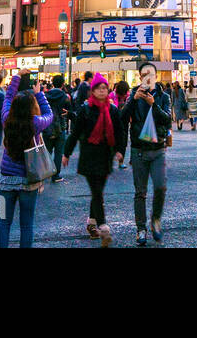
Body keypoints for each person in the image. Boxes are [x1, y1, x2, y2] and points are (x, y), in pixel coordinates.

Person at [63, 73, 126, 246]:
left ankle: (91, 222)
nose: (102, 91)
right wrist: (66, 153)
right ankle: (103, 227)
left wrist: (120, 151)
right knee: (97, 192)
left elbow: (120, 132)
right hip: (89, 156)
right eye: (99, 88)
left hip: (106, 156)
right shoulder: (85, 109)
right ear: (93, 91)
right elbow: (75, 133)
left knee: (98, 191)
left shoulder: (112, 110)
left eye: (105, 88)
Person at [0, 72, 53, 248]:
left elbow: (7, 98)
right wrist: (39, 93)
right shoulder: (35, 122)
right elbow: (49, 114)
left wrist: (16, 78)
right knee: (27, 225)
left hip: (5, 180)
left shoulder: (7, 119)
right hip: (29, 180)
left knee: (2, 223)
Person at [123, 61, 172, 246]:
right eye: (144, 74)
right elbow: (122, 118)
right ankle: (141, 228)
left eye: (151, 73)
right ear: (140, 77)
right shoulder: (133, 95)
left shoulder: (163, 96)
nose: (147, 77)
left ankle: (156, 220)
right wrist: (133, 100)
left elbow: (167, 120)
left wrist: (153, 105)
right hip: (139, 151)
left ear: (156, 76)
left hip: (158, 149)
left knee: (161, 187)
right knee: (140, 192)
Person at [43, 75, 71, 182]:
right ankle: (56, 175)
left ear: (53, 83)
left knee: (47, 152)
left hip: (47, 126)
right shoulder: (65, 97)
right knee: (58, 153)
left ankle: (45, 173)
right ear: (63, 84)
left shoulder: (46, 95)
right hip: (60, 127)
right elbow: (69, 111)